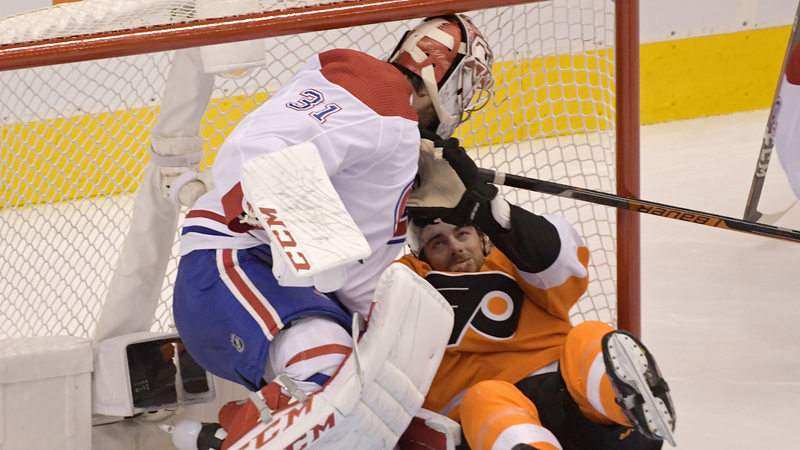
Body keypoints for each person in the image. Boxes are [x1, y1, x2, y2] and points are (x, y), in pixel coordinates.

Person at [172, 13, 493, 401]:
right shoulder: (382, 98)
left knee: (372, 387)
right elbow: (256, 154)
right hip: (231, 263)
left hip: (264, 285)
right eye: (464, 88)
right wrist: (323, 245)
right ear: (437, 81)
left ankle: (229, 429)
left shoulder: (388, 117)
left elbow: (359, 277)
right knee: (328, 366)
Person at [395, 139, 677, 450]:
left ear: (483, 238)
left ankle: (631, 406)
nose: (456, 247)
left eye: (463, 233)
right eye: (438, 243)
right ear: (421, 255)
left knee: (590, 337)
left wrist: (492, 211)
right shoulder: (410, 280)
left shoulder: (514, 258)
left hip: (573, 403)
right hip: (482, 426)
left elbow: (563, 261)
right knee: (486, 398)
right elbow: (364, 285)